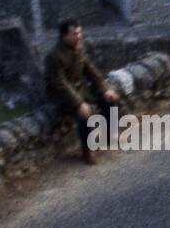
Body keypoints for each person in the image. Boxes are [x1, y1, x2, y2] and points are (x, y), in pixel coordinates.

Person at [45, 20, 118, 165]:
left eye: (79, 33)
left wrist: (104, 90)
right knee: (84, 115)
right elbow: (60, 84)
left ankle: (107, 135)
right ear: (64, 36)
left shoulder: (79, 48)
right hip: (62, 96)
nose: (78, 36)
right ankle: (87, 151)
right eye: (74, 34)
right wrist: (79, 103)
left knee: (110, 101)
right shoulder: (54, 56)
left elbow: (91, 71)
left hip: (80, 90)